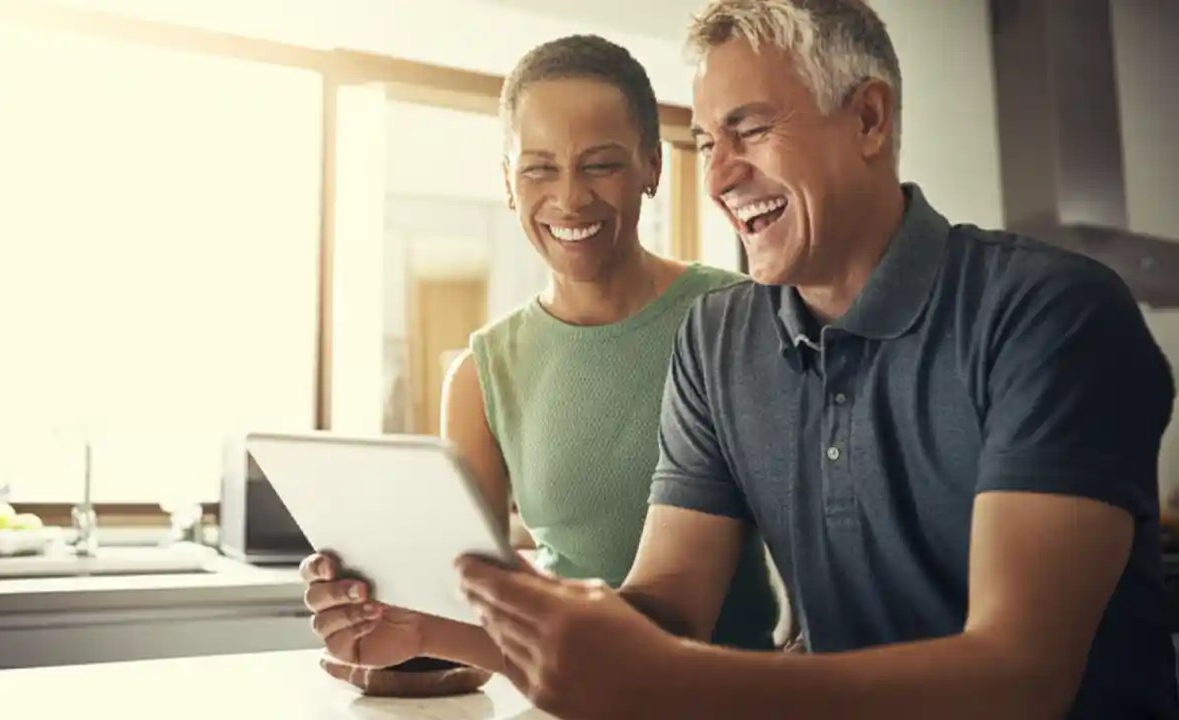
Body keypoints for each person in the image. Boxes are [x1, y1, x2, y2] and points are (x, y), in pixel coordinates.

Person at [446, 1, 1179, 718]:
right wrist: (464, 623)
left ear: (868, 119)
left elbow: (1020, 677)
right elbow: (667, 606)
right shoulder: (716, 340)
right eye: (706, 142)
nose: (719, 177)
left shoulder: (1049, 312)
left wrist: (677, 682)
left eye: (751, 129)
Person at [301, 34, 784, 697]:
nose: (569, 198)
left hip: (723, 697)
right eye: (537, 169)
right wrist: (402, 654)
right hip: (568, 700)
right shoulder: (483, 372)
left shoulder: (738, 317)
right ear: (506, 182)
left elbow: (697, 612)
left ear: (651, 167)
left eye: (600, 165)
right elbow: (475, 608)